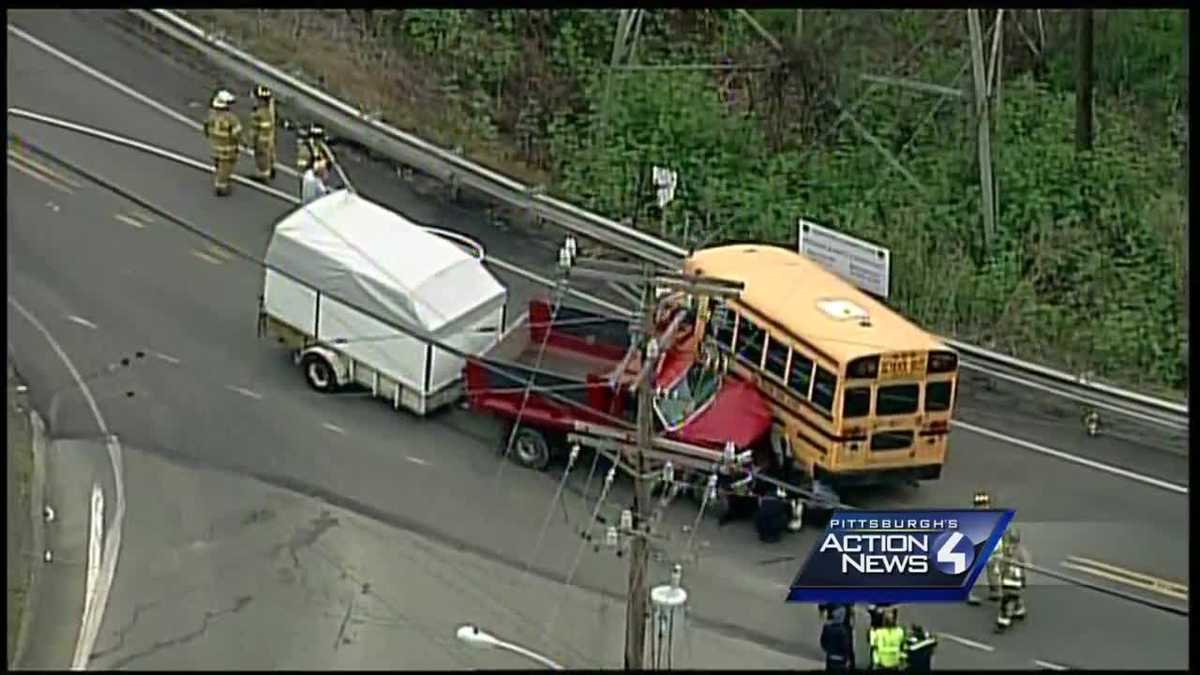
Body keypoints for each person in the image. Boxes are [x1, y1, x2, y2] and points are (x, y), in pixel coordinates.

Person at [202, 89, 242, 196]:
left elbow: (205, 127)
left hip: (215, 146)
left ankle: (221, 181)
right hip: (228, 148)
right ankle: (221, 186)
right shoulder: (231, 118)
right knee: (225, 167)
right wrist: (243, 143)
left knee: (218, 164)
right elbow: (237, 133)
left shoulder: (211, 115)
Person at [966, 490, 1001, 605]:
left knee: (993, 571)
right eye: (979, 505)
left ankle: (995, 590)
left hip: (992, 550)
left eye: (984, 504)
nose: (982, 507)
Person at [995, 528, 1028, 633]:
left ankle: (1004, 620)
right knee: (1013, 597)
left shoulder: (1009, 551)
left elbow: (1004, 565)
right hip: (1013, 580)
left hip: (1011, 580)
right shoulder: (1020, 552)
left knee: (1006, 600)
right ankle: (1019, 610)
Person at [249, 85, 277, 182]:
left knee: (261, 155)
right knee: (265, 153)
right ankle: (268, 169)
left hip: (261, 139)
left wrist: (257, 139)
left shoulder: (262, 113)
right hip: (263, 138)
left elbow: (261, 128)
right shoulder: (266, 111)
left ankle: (264, 173)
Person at [820, 606, 854, 671]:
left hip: (830, 657)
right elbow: (846, 646)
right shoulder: (843, 631)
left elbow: (823, 643)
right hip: (841, 660)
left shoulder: (827, 628)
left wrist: (829, 650)